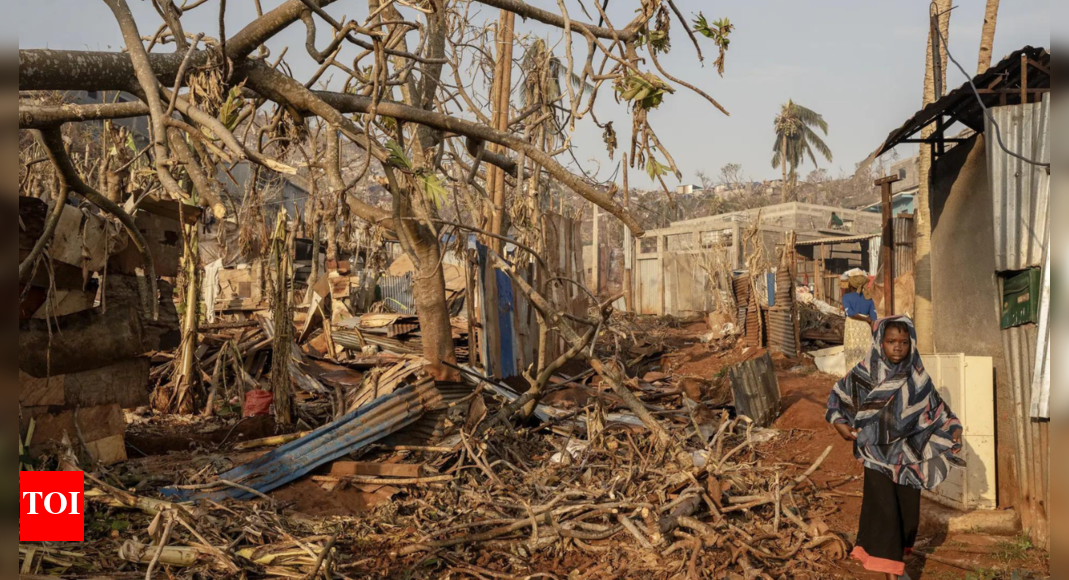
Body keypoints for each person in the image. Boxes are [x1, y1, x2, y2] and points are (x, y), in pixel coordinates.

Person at [826, 317, 964, 580]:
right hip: (876, 455)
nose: (898, 347)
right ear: (880, 342)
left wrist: (953, 429)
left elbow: (939, 411)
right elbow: (837, 400)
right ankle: (892, 571)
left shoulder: (919, 377)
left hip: (909, 457)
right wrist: (840, 424)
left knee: (908, 516)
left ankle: (896, 560)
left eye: (903, 341)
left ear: (911, 343)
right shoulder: (864, 373)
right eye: (891, 342)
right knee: (885, 513)